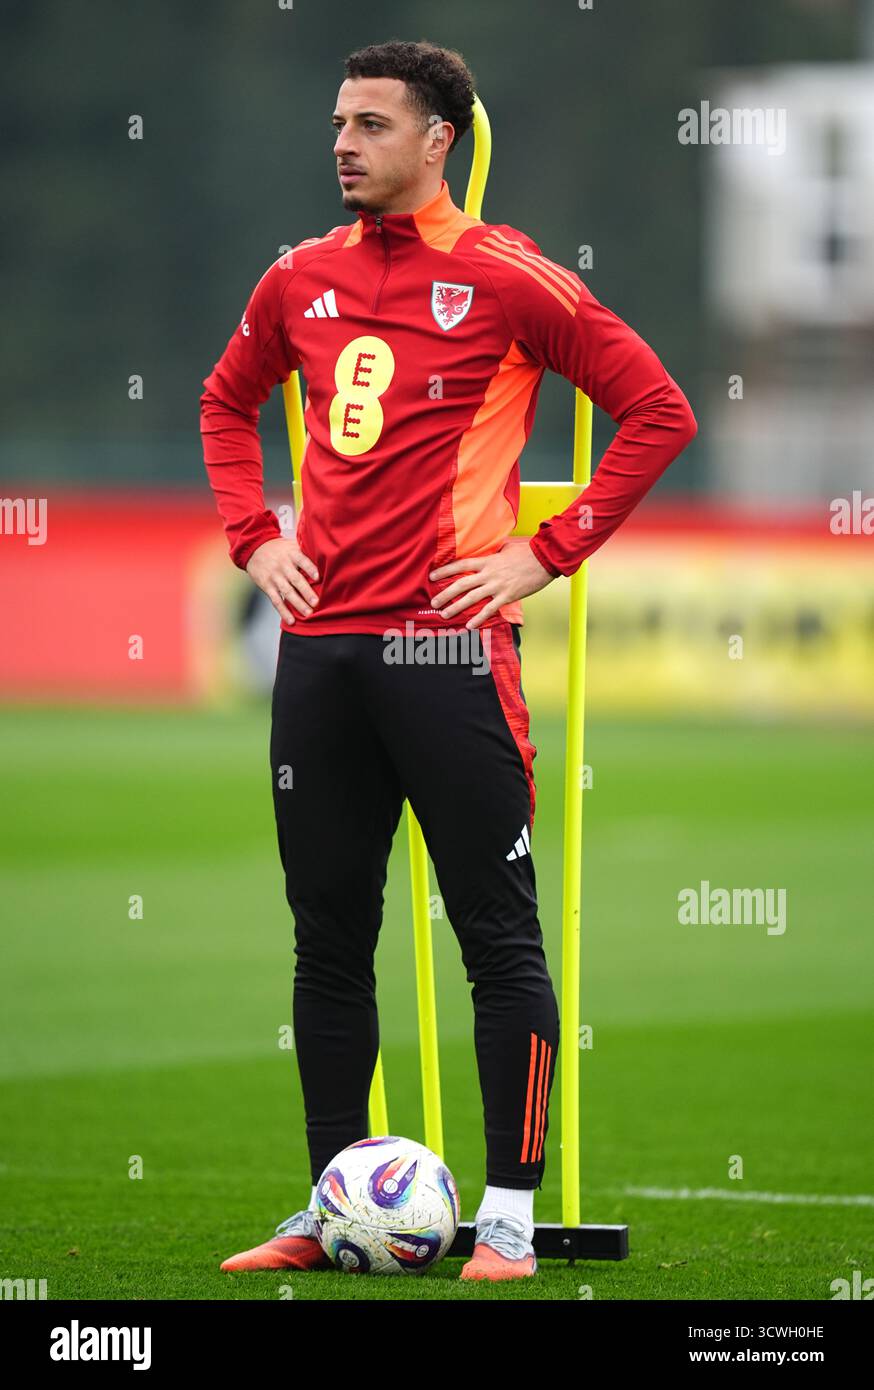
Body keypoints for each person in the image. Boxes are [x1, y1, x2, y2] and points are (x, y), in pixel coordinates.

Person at [200, 38, 696, 1281]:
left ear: (439, 141)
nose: (343, 144)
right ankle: (330, 1206)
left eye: (371, 124)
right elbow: (223, 401)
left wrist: (547, 551)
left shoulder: (509, 275)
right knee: (326, 939)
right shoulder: (298, 276)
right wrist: (255, 537)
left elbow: (658, 411)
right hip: (320, 653)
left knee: (496, 935)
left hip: (447, 651)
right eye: (338, 122)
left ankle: (511, 1218)